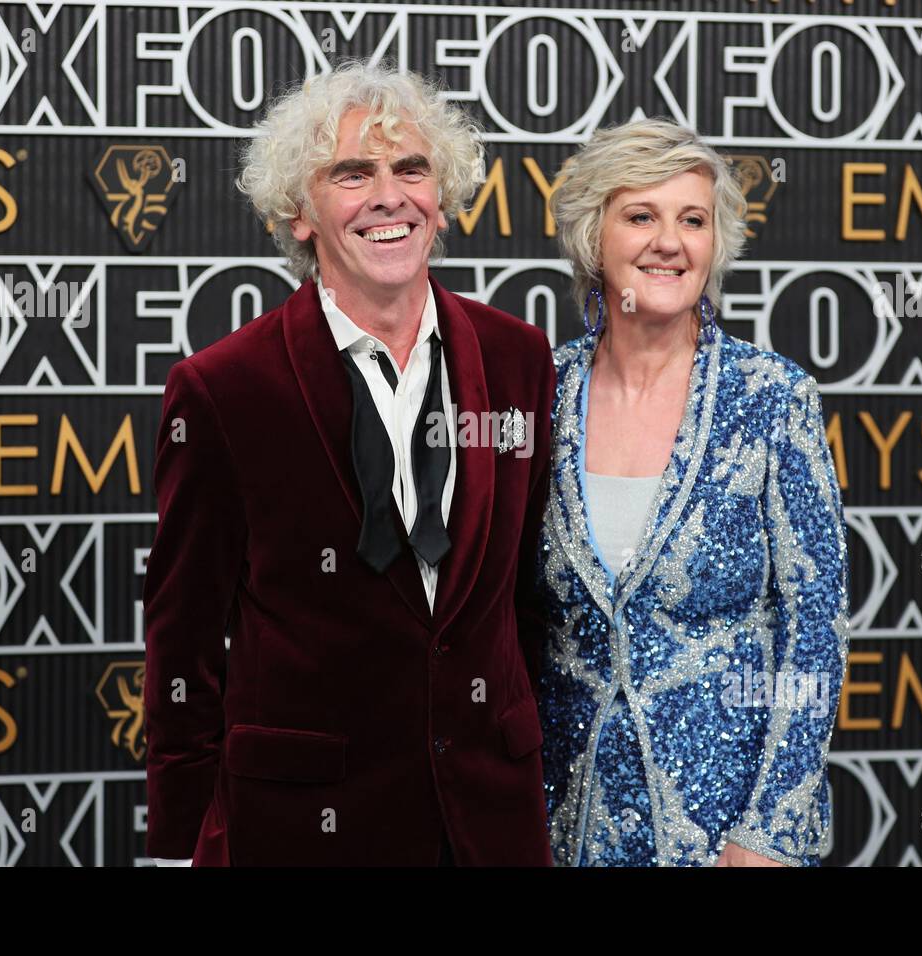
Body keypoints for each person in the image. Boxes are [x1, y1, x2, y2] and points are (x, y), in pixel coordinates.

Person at [142, 60, 555, 866]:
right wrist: (178, 841)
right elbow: (181, 638)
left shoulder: (519, 359)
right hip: (304, 827)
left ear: (443, 198)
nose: (388, 196)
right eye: (352, 173)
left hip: (489, 822)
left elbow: (527, 598)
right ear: (300, 211)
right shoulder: (224, 389)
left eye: (411, 168)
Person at [535, 118, 850, 867]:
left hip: (725, 831)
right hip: (561, 823)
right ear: (593, 237)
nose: (669, 243)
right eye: (641, 216)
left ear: (717, 243)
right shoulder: (540, 392)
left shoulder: (772, 397)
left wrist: (768, 827)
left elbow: (815, 628)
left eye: (693, 220)